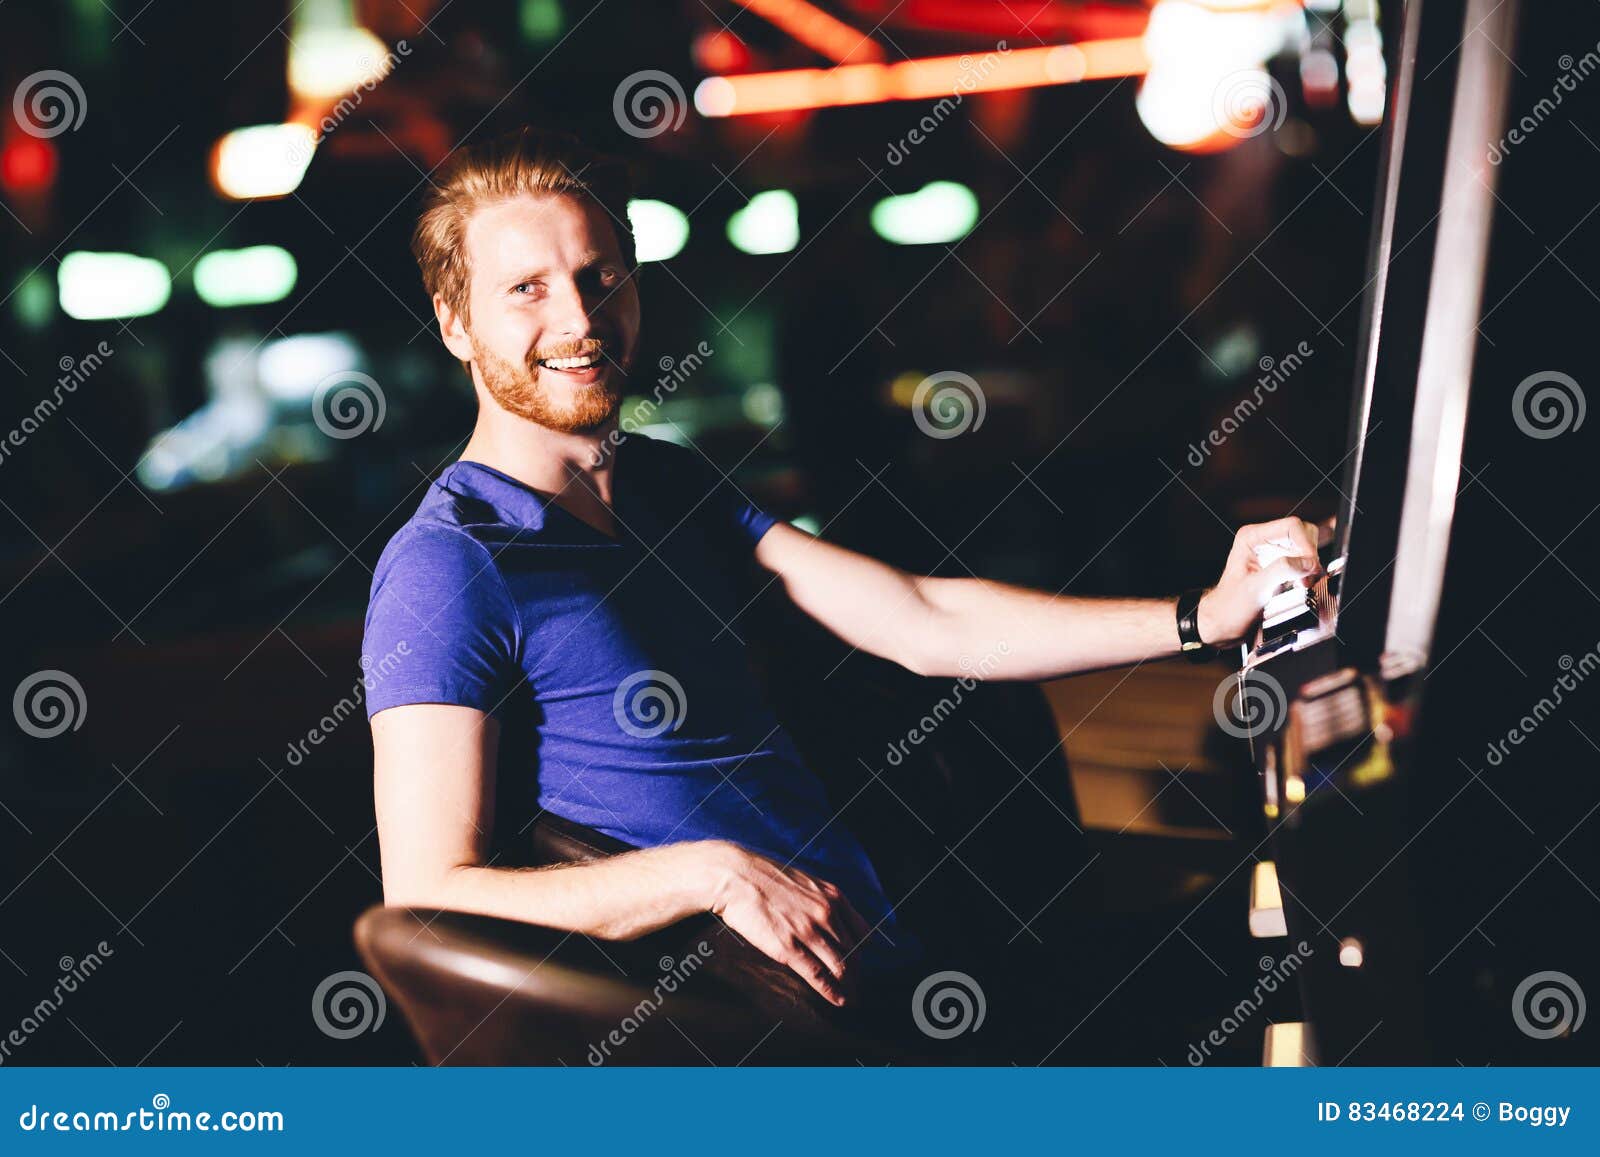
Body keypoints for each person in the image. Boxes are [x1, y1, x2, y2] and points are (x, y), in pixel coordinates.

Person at [362, 125, 1319, 1020]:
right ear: (455, 323)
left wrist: (1204, 615)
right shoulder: (450, 562)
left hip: (913, 959)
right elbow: (426, 891)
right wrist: (707, 873)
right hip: (783, 1032)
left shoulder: (665, 484)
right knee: (1285, 954)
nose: (579, 317)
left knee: (1298, 919)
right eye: (526, 289)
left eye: (599, 275)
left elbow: (920, 616)